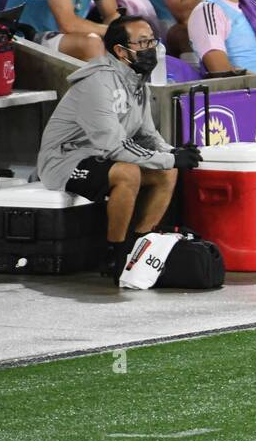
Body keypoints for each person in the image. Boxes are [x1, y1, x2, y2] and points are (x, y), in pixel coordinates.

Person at [36, 16, 202, 281]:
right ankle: (116, 254)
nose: (151, 48)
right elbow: (113, 145)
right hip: (65, 160)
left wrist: (173, 153)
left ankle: (139, 247)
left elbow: (147, 134)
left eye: (152, 40)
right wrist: (167, 159)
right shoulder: (97, 83)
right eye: (143, 42)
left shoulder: (137, 82)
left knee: (166, 173)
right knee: (129, 172)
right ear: (120, 51)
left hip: (102, 157)